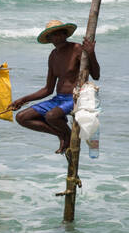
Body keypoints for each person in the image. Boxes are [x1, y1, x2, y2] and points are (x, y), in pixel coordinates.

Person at [11, 19, 99, 154]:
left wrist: (91, 53)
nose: (58, 36)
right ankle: (62, 134)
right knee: (22, 117)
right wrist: (23, 99)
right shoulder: (53, 55)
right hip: (59, 99)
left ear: (65, 34)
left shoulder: (76, 49)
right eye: (54, 34)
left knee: (51, 116)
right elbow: (48, 89)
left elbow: (96, 75)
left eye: (61, 33)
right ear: (49, 38)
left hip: (76, 98)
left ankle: (67, 136)